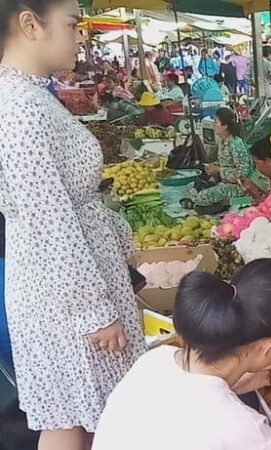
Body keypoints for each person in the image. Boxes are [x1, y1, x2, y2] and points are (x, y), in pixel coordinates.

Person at [0, 1, 146, 449]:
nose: (80, 35)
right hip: (66, 299)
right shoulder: (21, 108)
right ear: (30, 24)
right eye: (72, 24)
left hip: (62, 288)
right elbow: (50, 220)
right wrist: (93, 311)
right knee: (78, 417)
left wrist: (118, 239)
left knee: (75, 416)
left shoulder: (30, 97)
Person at [93, 259, 271, 450]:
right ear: (269, 348)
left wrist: (251, 381)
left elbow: (189, 403)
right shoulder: (241, 427)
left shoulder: (154, 360)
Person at [188, 107, 254, 207]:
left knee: (202, 197)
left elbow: (242, 174)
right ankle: (220, 204)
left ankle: (239, 201)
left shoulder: (236, 144)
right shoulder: (222, 142)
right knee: (191, 186)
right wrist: (212, 166)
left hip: (239, 187)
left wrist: (218, 170)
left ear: (225, 126)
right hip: (224, 183)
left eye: (215, 122)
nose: (213, 125)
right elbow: (226, 163)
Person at [240, 137, 271, 202]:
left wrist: (254, 190)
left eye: (256, 163)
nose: (256, 168)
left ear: (268, 161)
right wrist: (253, 189)